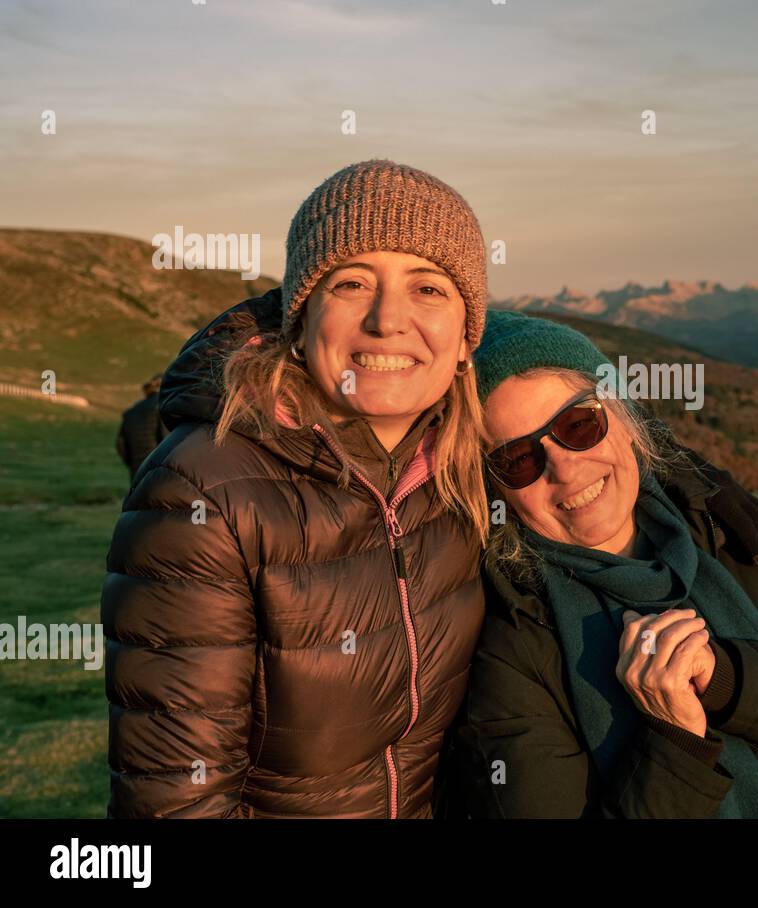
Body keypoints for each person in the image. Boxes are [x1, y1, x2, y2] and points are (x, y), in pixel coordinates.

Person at [101, 160, 493, 817]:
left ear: (464, 340)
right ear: (300, 319)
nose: (387, 319)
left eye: (429, 288)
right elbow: (175, 804)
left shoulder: (460, 477)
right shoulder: (204, 492)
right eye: (350, 283)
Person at [454, 312, 758, 817]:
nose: (564, 468)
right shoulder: (515, 643)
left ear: (624, 420)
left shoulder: (731, 534)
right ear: (493, 488)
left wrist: (726, 679)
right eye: (518, 458)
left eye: (578, 425)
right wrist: (676, 745)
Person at [115, 374, 165, 479]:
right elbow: (168, 440)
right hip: (160, 471)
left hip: (137, 470)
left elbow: (120, 444)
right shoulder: (163, 407)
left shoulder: (131, 412)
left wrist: (133, 463)